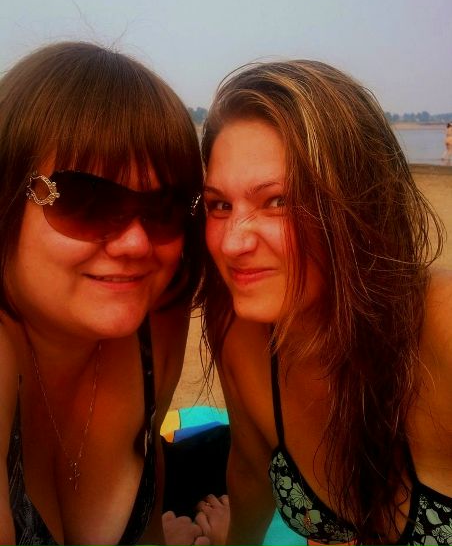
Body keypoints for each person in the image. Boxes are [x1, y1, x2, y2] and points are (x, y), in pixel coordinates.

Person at [196, 60, 452, 545]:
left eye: (277, 201)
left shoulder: (440, 326)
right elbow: (250, 471)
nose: (232, 243)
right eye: (220, 205)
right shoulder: (240, 333)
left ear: (357, 203)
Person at [0, 41, 208, 546]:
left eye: (163, 207)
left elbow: (150, 492)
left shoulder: (157, 319)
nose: (136, 244)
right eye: (86, 199)